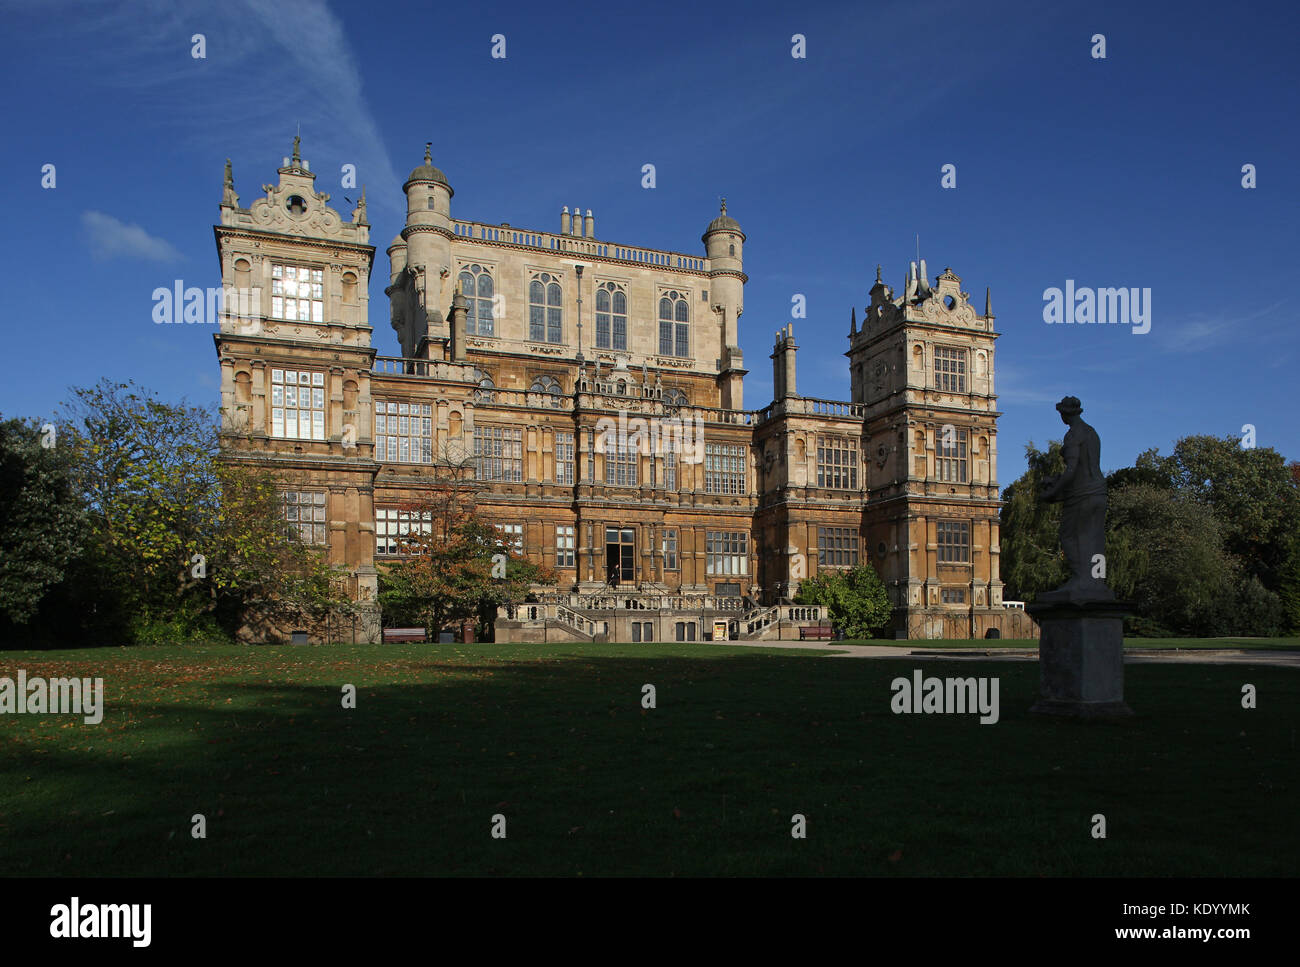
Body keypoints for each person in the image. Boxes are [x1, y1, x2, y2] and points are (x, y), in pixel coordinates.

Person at [1039, 396, 1114, 602]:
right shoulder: (1091, 433)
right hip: (1099, 490)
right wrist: (1055, 480)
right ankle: (1097, 581)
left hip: (1082, 494)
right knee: (1095, 539)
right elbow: (1083, 467)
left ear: (1065, 414)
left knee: (1070, 536)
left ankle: (1081, 578)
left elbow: (1071, 472)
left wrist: (1052, 492)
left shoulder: (1073, 435)